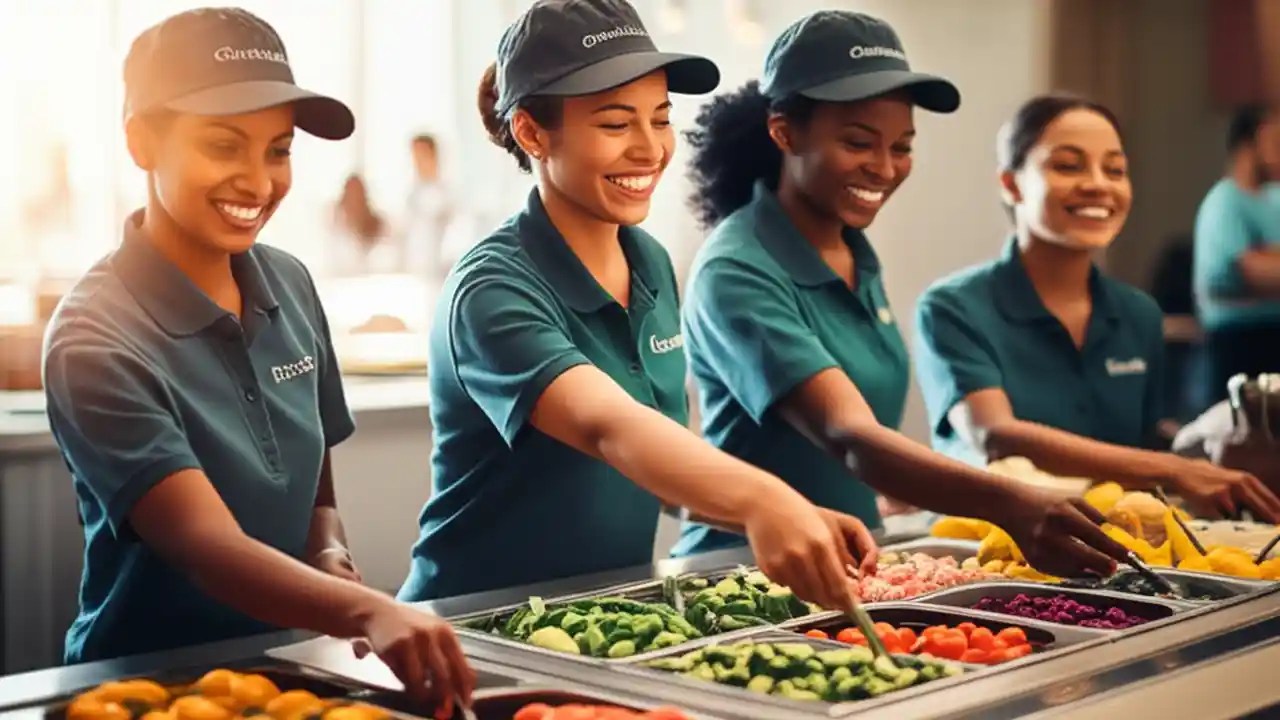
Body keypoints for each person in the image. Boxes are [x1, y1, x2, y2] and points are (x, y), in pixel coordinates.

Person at [41, 8, 473, 705]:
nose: (258, 180)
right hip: (145, 687)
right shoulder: (93, 337)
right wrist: (365, 609)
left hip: (287, 670)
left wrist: (328, 552)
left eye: (278, 150)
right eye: (224, 144)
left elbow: (317, 496)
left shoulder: (293, 285)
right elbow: (203, 545)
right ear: (141, 142)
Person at [397, 0, 878, 611]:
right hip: (474, 623)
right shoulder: (492, 288)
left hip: (601, 617)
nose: (651, 150)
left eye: (661, 118)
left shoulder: (647, 259)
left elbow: (653, 458)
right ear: (531, 132)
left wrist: (793, 513)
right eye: (616, 124)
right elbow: (611, 429)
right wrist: (764, 500)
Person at [673, 10, 1134, 577]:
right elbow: (850, 437)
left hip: (849, 561)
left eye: (903, 146)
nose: (885, 168)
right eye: (859, 142)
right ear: (785, 132)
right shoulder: (738, 268)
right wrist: (1007, 501)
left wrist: (888, 495)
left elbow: (850, 445)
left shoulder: (850, 251)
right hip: (745, 572)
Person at [913, 94, 1280, 524]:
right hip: (988, 545)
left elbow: (1142, 447)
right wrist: (1178, 470)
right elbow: (995, 435)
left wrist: (1215, 443)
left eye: (1115, 169)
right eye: (1068, 165)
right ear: (1011, 184)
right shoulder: (953, 306)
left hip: (1118, 548)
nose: (1098, 185)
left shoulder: (1138, 313)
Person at [1194, 105, 1280, 405]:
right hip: (1241, 342)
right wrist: (1264, 263)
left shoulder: (1275, 200)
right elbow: (1250, 272)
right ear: (1248, 145)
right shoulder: (1224, 202)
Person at [401, 133, 455, 281]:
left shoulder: (447, 193)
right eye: (414, 155)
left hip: (440, 271)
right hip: (414, 270)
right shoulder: (412, 194)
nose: (417, 160)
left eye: (421, 154)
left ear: (433, 155)